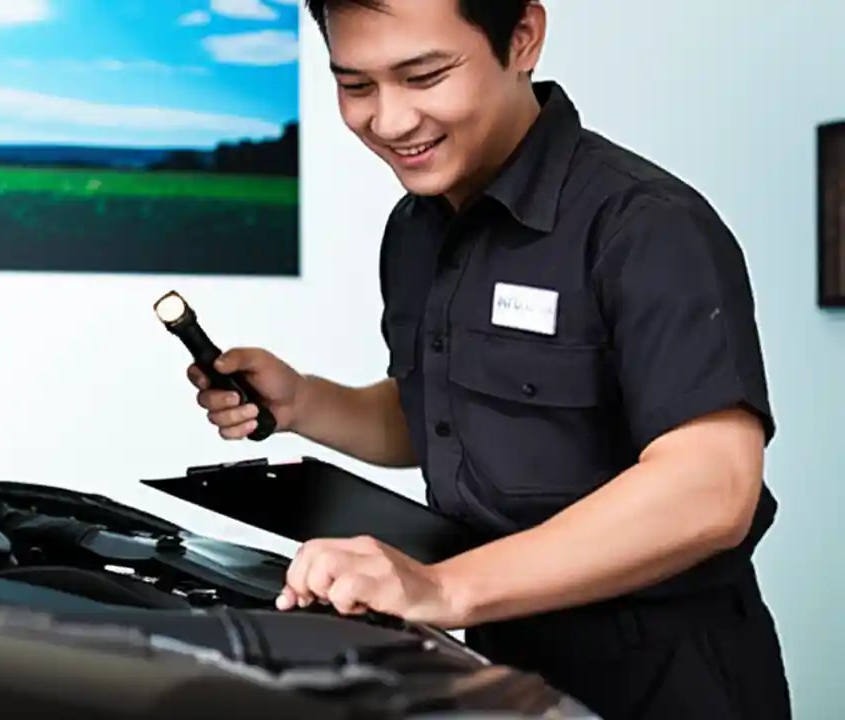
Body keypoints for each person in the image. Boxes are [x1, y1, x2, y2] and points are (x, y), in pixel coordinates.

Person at [184, 1, 792, 718]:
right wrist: (305, 402)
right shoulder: (414, 228)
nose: (391, 120)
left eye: (425, 76)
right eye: (356, 86)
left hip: (665, 677)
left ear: (524, 38)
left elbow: (713, 488)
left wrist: (442, 588)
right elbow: (439, 419)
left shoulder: (647, 224)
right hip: (499, 658)